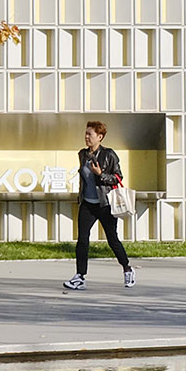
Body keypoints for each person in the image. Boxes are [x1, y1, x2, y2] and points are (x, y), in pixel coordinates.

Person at [64, 120, 135, 291]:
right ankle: (80, 276)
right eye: (86, 133)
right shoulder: (82, 154)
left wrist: (101, 174)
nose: (86, 137)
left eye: (90, 134)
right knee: (82, 240)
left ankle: (127, 268)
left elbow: (118, 178)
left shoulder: (109, 155)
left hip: (105, 204)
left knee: (112, 239)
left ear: (100, 137)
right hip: (87, 204)